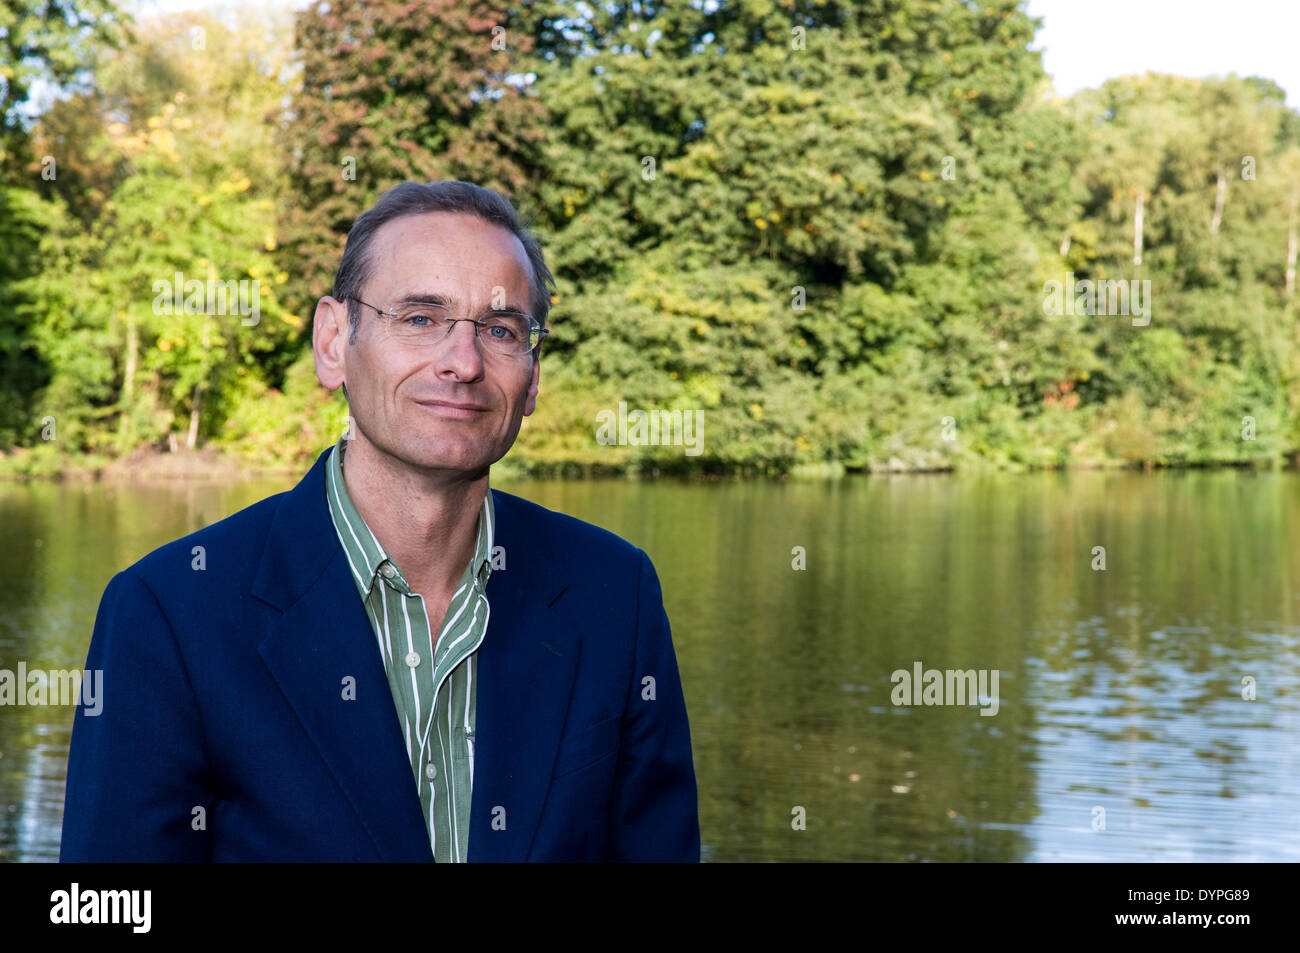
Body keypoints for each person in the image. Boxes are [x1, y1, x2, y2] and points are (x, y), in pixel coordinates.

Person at [60, 181, 700, 862]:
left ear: (533, 375)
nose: (463, 361)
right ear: (334, 342)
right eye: (421, 317)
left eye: (501, 329)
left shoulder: (614, 594)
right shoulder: (169, 613)